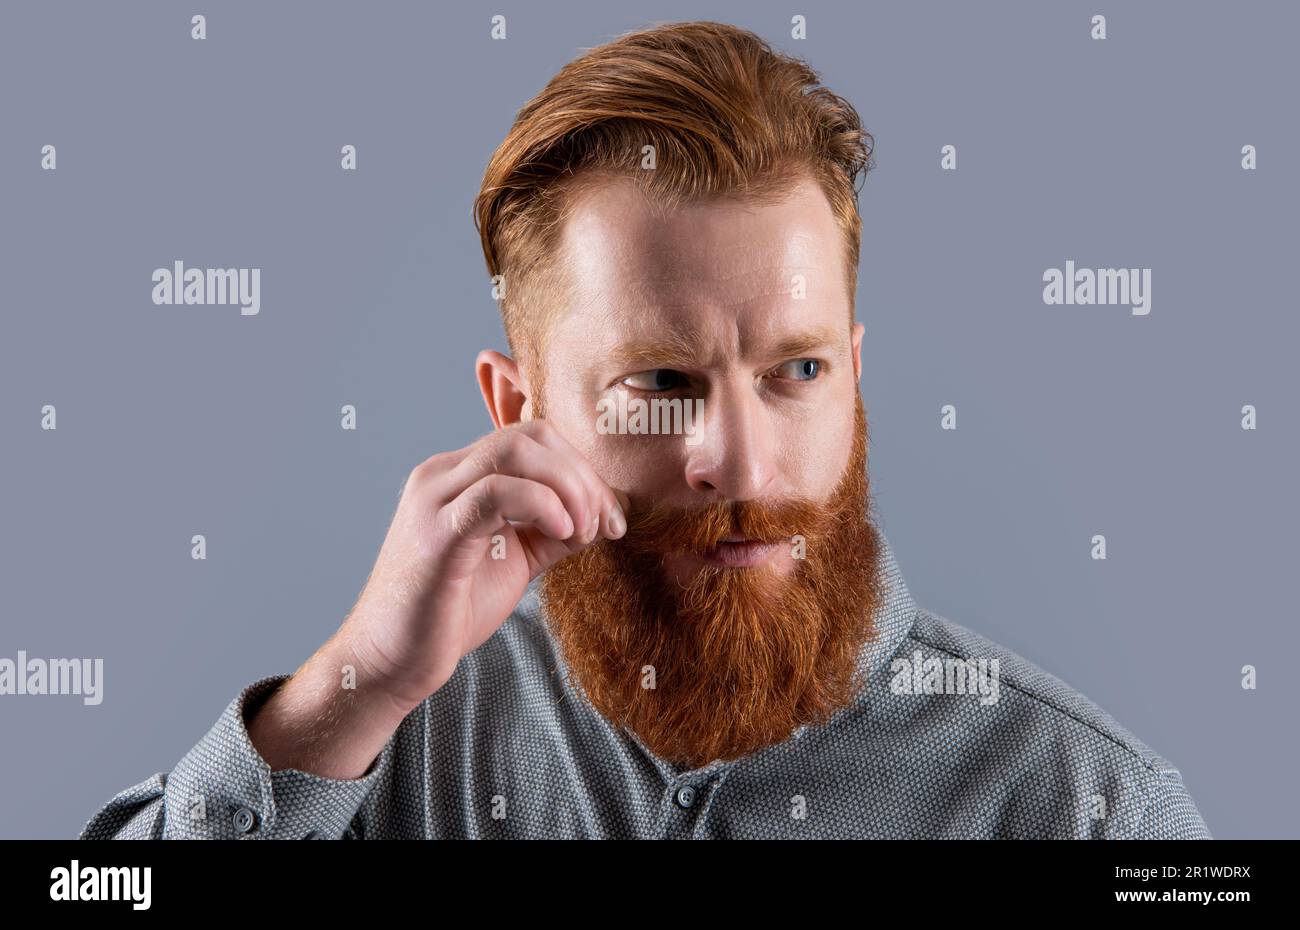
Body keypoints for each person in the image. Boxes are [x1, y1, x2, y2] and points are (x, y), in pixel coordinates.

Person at [82, 20, 1210, 840]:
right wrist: (355, 689)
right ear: (517, 412)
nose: (739, 459)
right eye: (660, 381)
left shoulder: (1090, 812)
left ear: (855, 377)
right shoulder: (385, 748)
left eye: (797, 370)